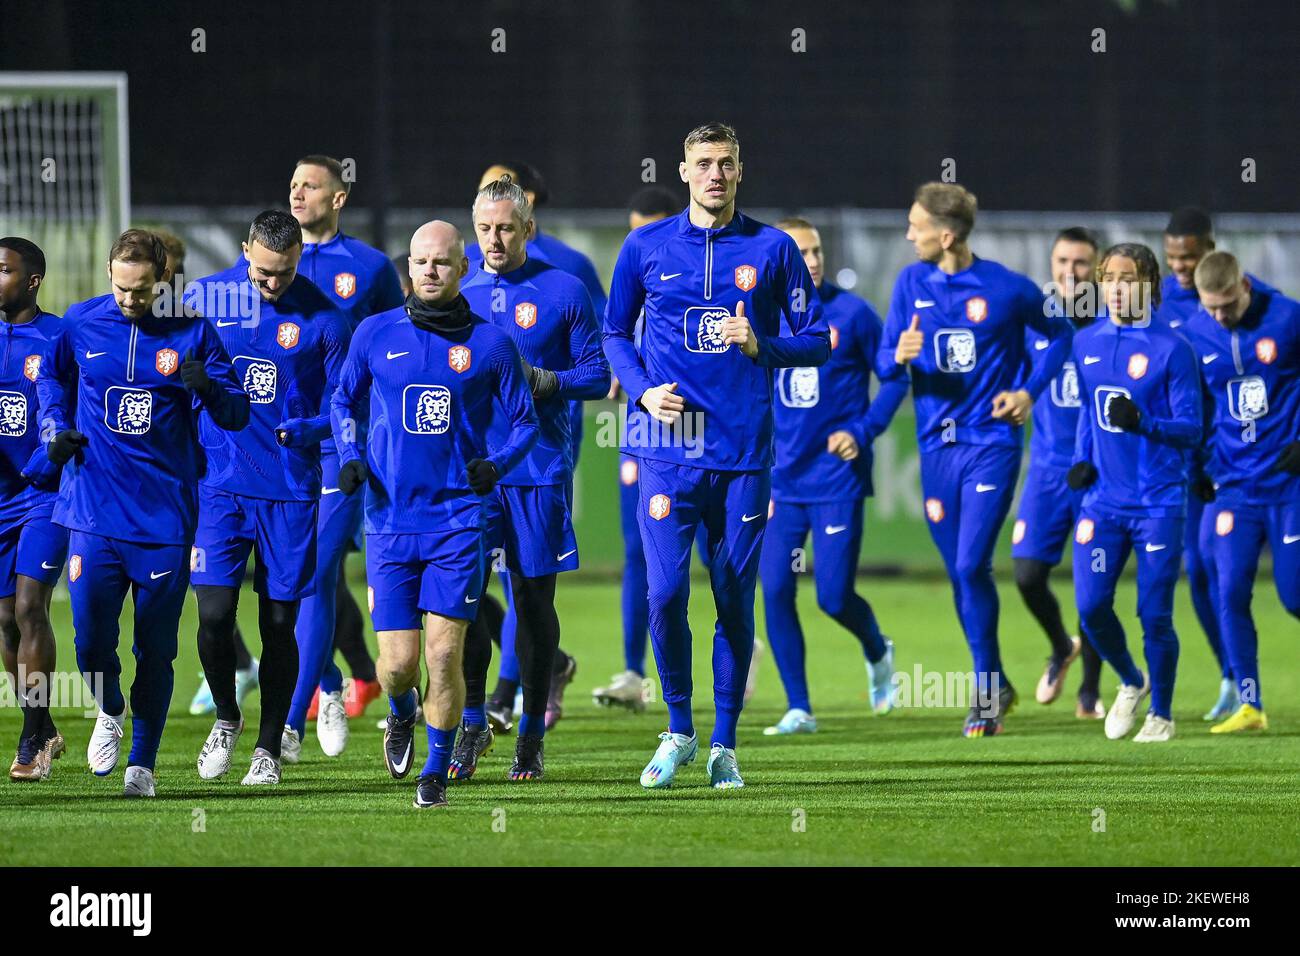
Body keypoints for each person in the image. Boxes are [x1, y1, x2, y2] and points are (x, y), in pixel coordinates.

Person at [604, 122, 829, 789]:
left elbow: (817, 338)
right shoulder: (644, 246)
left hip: (742, 455)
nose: (714, 175)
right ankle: (677, 726)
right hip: (668, 450)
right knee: (666, 591)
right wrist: (643, 394)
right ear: (683, 171)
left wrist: (763, 343)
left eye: (725, 164)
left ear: (740, 170)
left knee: (733, 598)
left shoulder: (774, 248)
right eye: (703, 163)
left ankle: (724, 745)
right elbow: (615, 332)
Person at [332, 220, 537, 808]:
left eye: (442, 263)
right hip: (390, 522)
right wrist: (349, 455)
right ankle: (400, 713)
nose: (429, 271)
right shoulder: (374, 333)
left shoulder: (493, 344)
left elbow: (524, 422)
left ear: (462, 269)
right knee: (398, 666)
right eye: (420, 261)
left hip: (458, 522)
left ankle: (436, 771)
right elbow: (343, 397)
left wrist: (495, 466)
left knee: (445, 654)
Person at [38, 230, 249, 796]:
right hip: (91, 512)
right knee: (88, 642)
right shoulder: (80, 323)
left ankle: (143, 764)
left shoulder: (194, 331)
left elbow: (235, 415)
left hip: (163, 522)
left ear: (163, 279)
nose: (130, 300)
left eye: (141, 290)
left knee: (155, 648)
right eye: (121, 288)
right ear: (110, 274)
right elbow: (50, 381)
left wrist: (207, 386)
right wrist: (54, 425)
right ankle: (110, 708)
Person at [878, 183, 1072, 737]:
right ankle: (997, 684)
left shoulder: (1008, 289)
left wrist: (1029, 392)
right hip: (936, 448)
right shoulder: (909, 282)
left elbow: (1059, 336)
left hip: (991, 443)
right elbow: (889, 367)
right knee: (961, 576)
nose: (908, 234)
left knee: (970, 566)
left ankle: (986, 692)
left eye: (916, 225)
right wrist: (898, 356)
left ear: (946, 235)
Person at [448, 177, 608, 781]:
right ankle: (470, 723)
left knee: (533, 603)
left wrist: (548, 381)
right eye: (485, 228)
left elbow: (597, 375)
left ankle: (530, 735)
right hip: (469, 473)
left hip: (538, 470)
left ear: (527, 229)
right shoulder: (456, 290)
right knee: (457, 600)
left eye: (505, 228)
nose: (494, 238)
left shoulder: (563, 289)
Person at [186, 211, 349, 784]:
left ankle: (267, 748)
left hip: (288, 489)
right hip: (218, 486)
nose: (270, 283)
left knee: (279, 625)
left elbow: (346, 402)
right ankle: (227, 716)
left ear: (299, 258)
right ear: (244, 250)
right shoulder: (204, 299)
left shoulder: (326, 318)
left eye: (281, 273)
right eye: (260, 272)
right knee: (212, 617)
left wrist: (317, 428)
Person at [757, 217, 908, 735]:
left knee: (833, 596)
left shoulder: (854, 313)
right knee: (775, 589)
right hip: (779, 482)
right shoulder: (761, 314)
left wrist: (863, 431)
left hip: (836, 478)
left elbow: (892, 378)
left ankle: (876, 647)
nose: (814, 260)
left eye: (817, 250)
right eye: (802, 252)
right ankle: (799, 707)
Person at [280, 155, 405, 756]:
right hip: (274, 444)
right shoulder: (270, 260)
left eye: (311, 185)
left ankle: (291, 721)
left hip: (341, 442)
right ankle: (330, 681)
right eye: (294, 185)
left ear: (339, 197)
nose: (298, 193)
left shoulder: (372, 268)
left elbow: (393, 345)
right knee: (284, 578)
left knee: (319, 572)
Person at [1068, 242, 1201, 743]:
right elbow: (1087, 407)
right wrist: (1082, 457)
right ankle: (1130, 679)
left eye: (1129, 280)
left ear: (1150, 286)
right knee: (1092, 605)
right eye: (1111, 279)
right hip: (1103, 504)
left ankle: (1162, 713)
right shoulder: (1087, 343)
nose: (1118, 290)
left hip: (1159, 503)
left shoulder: (1173, 350)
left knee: (1154, 613)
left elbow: (1191, 427)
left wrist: (1145, 423)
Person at [1155, 207, 1280, 721]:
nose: (1182, 266)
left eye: (1191, 256)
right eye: (1173, 257)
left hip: (1238, 459)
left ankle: (1239, 678)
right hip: (1187, 460)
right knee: (1197, 571)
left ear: (1211, 249)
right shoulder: (1158, 303)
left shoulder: (1249, 303)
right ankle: (1232, 677)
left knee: (1214, 566)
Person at [1182, 251, 1300, 733]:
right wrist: (1197, 467)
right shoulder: (1195, 331)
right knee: (1226, 589)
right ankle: (1250, 705)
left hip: (1290, 483)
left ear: (1245, 285)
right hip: (1232, 485)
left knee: (1294, 598)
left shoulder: (1288, 318)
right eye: (1211, 307)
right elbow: (1196, 405)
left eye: (1227, 305)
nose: (1219, 316)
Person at [593, 185, 688, 712]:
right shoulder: (633, 273)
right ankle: (633, 672)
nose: (639, 238)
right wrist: (620, 374)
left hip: (704, 433)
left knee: (715, 560)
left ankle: (739, 648)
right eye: (633, 227)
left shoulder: (696, 274)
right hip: (644, 434)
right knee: (638, 550)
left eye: (645, 227)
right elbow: (610, 335)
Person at [1010, 226, 1106, 717]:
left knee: (1092, 586)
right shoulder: (1034, 323)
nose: (1071, 272)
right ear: (1052, 266)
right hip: (1047, 471)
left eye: (1082, 263)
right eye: (1063, 262)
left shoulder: (1112, 326)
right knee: (1026, 574)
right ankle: (1059, 646)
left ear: (1098, 269)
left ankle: (1090, 690)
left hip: (1098, 474)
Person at [0, 237, 70, 781]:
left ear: (32, 280)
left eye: (3, 270)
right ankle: (42, 721)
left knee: (29, 609)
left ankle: (30, 742)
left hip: (44, 494)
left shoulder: (57, 337)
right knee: (3, 619)